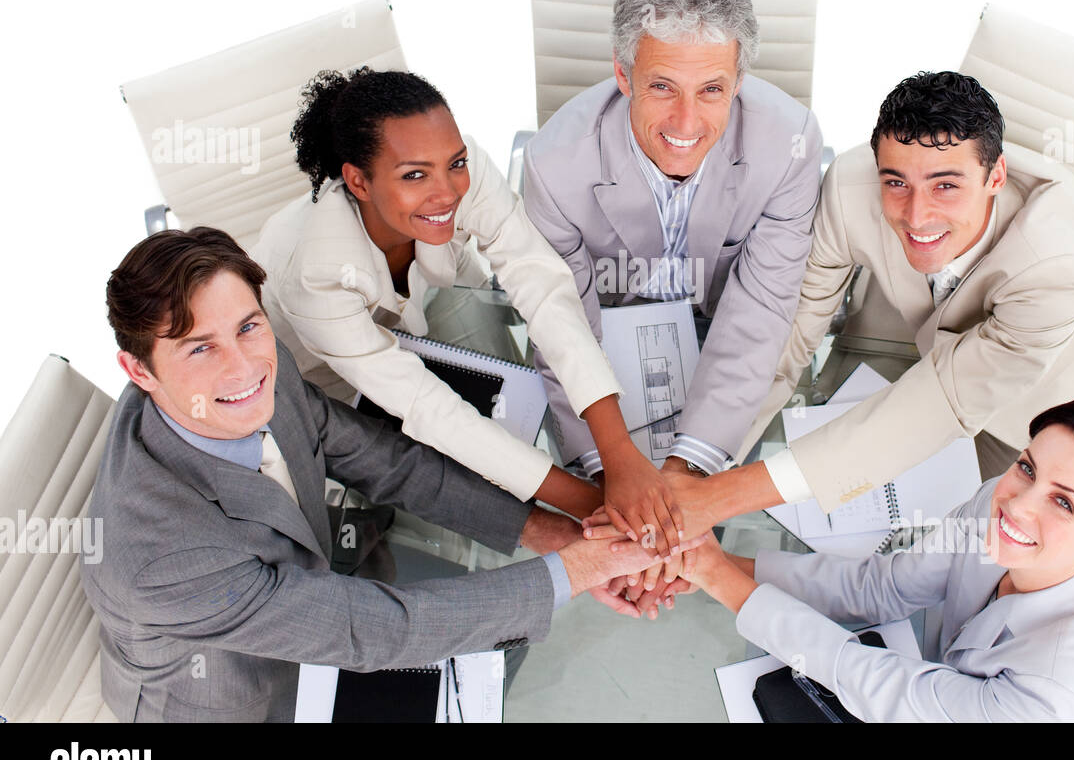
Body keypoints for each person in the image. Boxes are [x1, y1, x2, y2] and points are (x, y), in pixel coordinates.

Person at [81, 228, 694, 722]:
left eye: (247, 326)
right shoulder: (157, 561)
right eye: (199, 347)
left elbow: (386, 462)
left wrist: (552, 535)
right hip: (240, 699)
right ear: (139, 372)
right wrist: (579, 570)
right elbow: (367, 629)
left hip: (321, 593)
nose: (245, 366)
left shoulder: (260, 368)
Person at [253, 68, 685, 554]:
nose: (448, 192)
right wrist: (594, 502)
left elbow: (540, 285)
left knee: (517, 413)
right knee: (448, 500)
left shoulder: (463, 171)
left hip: (431, 304)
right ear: (358, 180)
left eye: (453, 163)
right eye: (414, 174)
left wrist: (619, 453)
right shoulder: (312, 271)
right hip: (334, 381)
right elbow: (427, 408)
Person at [523, 0, 823, 546]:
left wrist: (683, 484)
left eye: (712, 89)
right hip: (607, 348)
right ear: (623, 75)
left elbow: (757, 315)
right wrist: (612, 481)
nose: (687, 120)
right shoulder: (553, 163)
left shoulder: (789, 144)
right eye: (662, 86)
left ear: (738, 83)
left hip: (724, 339)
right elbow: (562, 328)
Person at [736, 70, 1074, 513]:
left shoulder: (1061, 264)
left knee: (956, 538)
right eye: (896, 184)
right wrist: (708, 462)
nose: (917, 214)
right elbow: (789, 337)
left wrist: (719, 499)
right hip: (922, 346)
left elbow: (940, 402)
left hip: (1039, 407)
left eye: (945, 185)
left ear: (996, 177)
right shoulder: (852, 188)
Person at [672, 397, 1074, 721]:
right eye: (1026, 467)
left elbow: (870, 682)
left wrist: (718, 578)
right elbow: (882, 589)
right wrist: (711, 562)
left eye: (1063, 502)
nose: (1018, 504)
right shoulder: (998, 508)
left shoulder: (1057, 699)